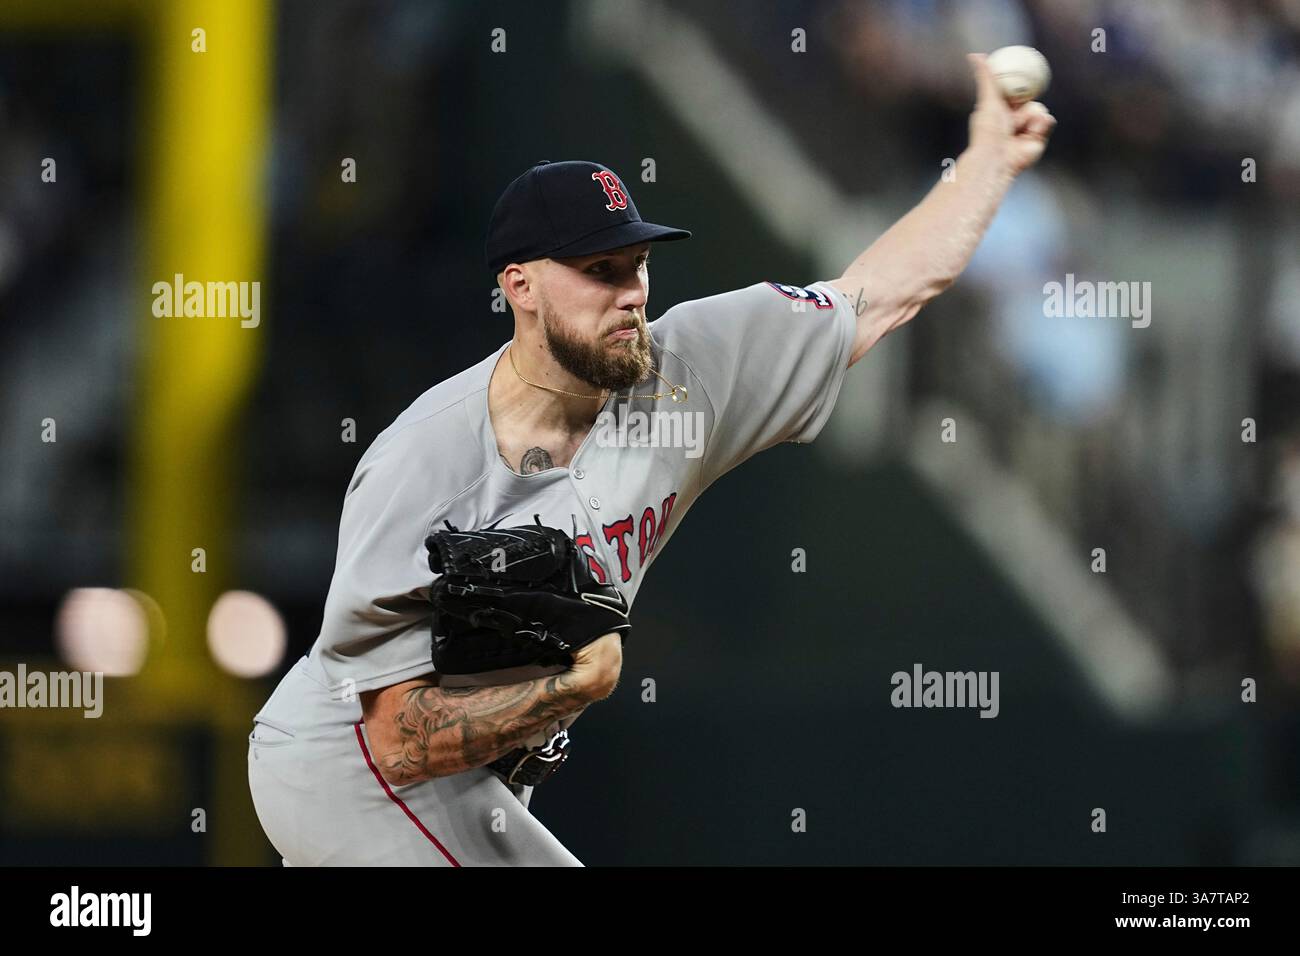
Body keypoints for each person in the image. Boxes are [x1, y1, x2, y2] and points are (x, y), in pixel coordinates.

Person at [247, 54, 1055, 866]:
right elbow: (394, 739)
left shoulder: (689, 368)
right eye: (599, 271)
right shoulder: (423, 462)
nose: (632, 289)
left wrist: (989, 157)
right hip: (345, 766)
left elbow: (881, 291)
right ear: (520, 286)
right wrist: (565, 689)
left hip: (472, 781)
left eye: (636, 262)